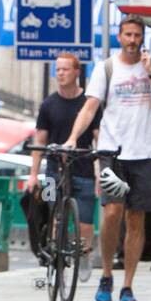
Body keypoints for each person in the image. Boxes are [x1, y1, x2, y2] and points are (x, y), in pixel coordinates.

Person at [64, 14, 151, 301]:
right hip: (113, 151)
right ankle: (107, 275)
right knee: (112, 212)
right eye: (128, 35)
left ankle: (127, 285)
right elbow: (90, 108)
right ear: (120, 36)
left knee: (136, 218)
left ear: (143, 38)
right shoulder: (107, 68)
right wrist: (74, 137)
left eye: (137, 35)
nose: (133, 41)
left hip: (146, 153)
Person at [26, 53, 102, 275]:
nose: (60, 73)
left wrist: (100, 171)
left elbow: (98, 136)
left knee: (85, 221)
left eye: (65, 69)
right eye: (57, 69)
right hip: (52, 171)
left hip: (83, 168)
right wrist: (33, 175)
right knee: (54, 214)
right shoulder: (48, 104)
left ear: (77, 72)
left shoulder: (88, 103)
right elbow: (40, 140)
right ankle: (54, 256)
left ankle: (85, 255)